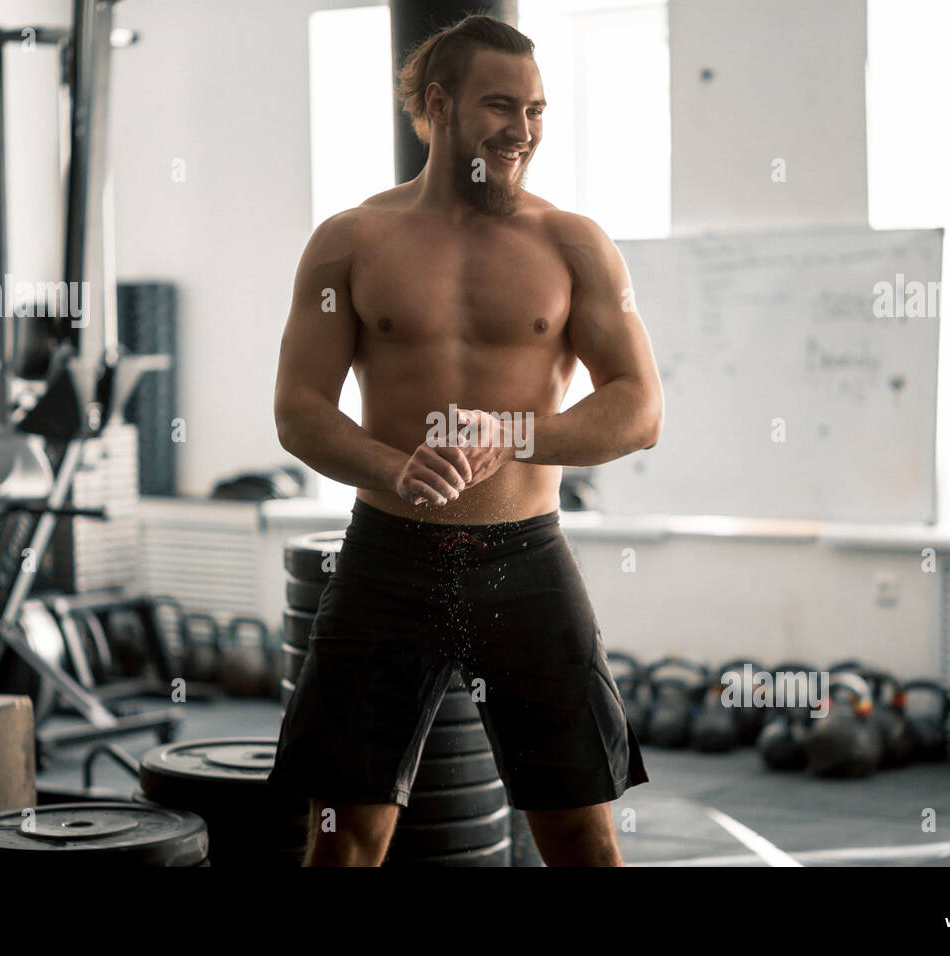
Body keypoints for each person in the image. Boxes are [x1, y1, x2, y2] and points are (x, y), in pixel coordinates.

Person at [268, 13, 663, 866]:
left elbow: (640, 410)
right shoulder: (350, 241)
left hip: (525, 560)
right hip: (384, 558)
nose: (523, 132)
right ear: (439, 105)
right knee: (343, 839)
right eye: (500, 106)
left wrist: (517, 433)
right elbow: (299, 409)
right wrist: (393, 467)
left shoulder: (573, 244)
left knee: (582, 839)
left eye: (537, 111)